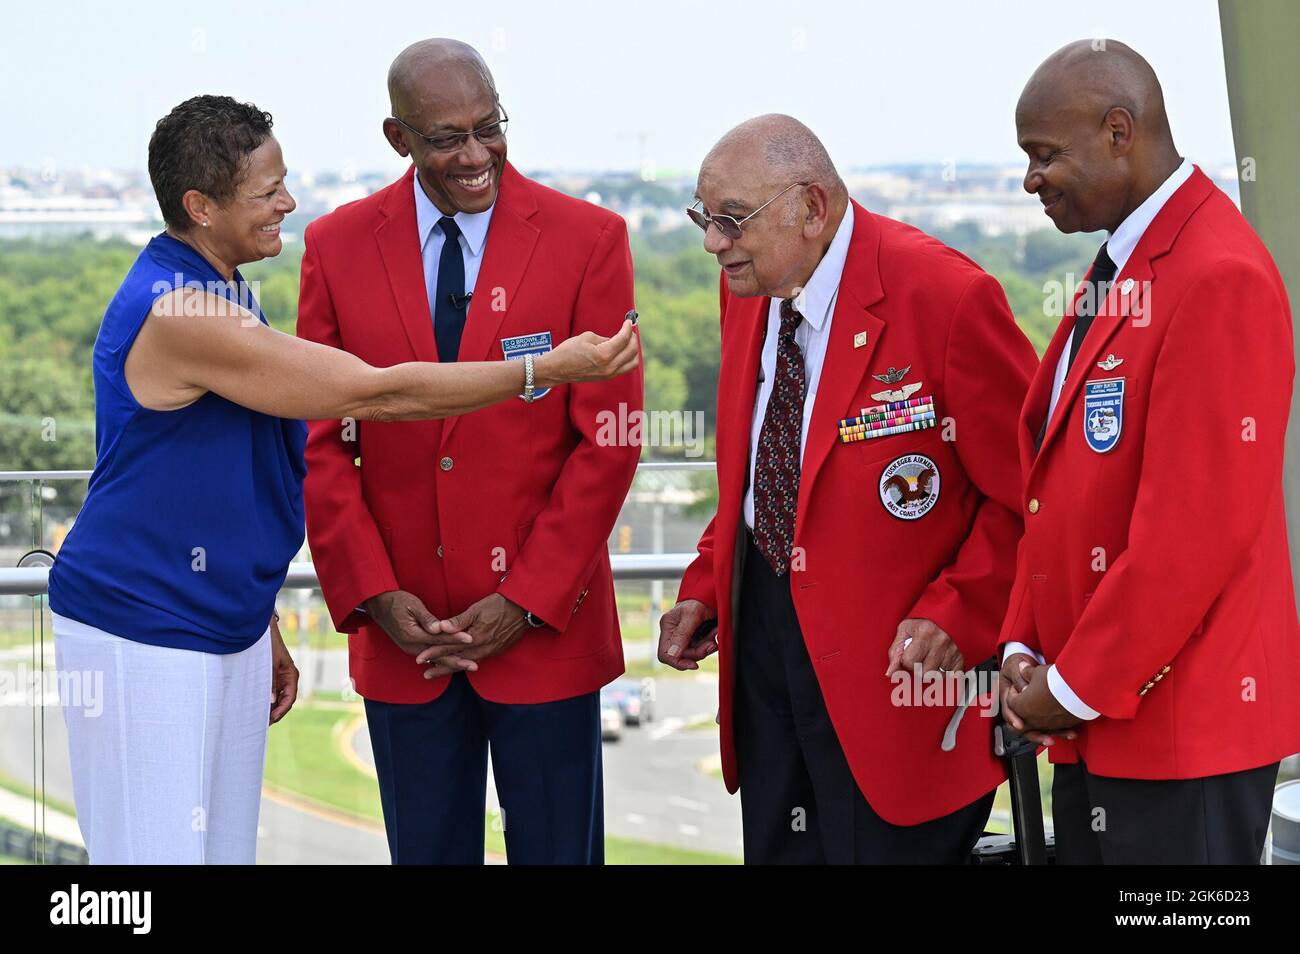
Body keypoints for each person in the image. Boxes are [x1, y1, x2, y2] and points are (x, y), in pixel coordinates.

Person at [46, 94, 638, 865]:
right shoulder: (185, 311)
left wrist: (259, 622)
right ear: (200, 206)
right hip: (144, 626)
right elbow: (372, 394)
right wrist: (546, 367)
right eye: (267, 192)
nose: (289, 202)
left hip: (212, 623)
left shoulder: (223, 288)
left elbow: (216, 481)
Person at [297, 39, 644, 865]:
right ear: (398, 138)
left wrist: (522, 600)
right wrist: (377, 595)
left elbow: (609, 443)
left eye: (491, 127)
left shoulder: (590, 238)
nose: (477, 154)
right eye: (448, 137)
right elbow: (318, 443)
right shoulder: (335, 246)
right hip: (403, 637)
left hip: (543, 634)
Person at [657, 115, 1036, 863]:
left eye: (732, 220)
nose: (712, 243)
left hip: (899, 699)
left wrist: (959, 610)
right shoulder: (747, 289)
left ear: (812, 207)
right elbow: (757, 468)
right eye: (704, 217)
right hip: (767, 678)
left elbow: (1032, 500)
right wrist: (709, 583)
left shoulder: (947, 297)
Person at [999, 39, 1300, 864]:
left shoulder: (1216, 274)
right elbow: (1057, 488)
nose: (1032, 180)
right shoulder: (1122, 264)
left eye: (1045, 154)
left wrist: (1069, 687)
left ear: (1119, 132)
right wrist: (1026, 644)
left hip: (1179, 736)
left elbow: (1192, 537)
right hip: (1097, 718)